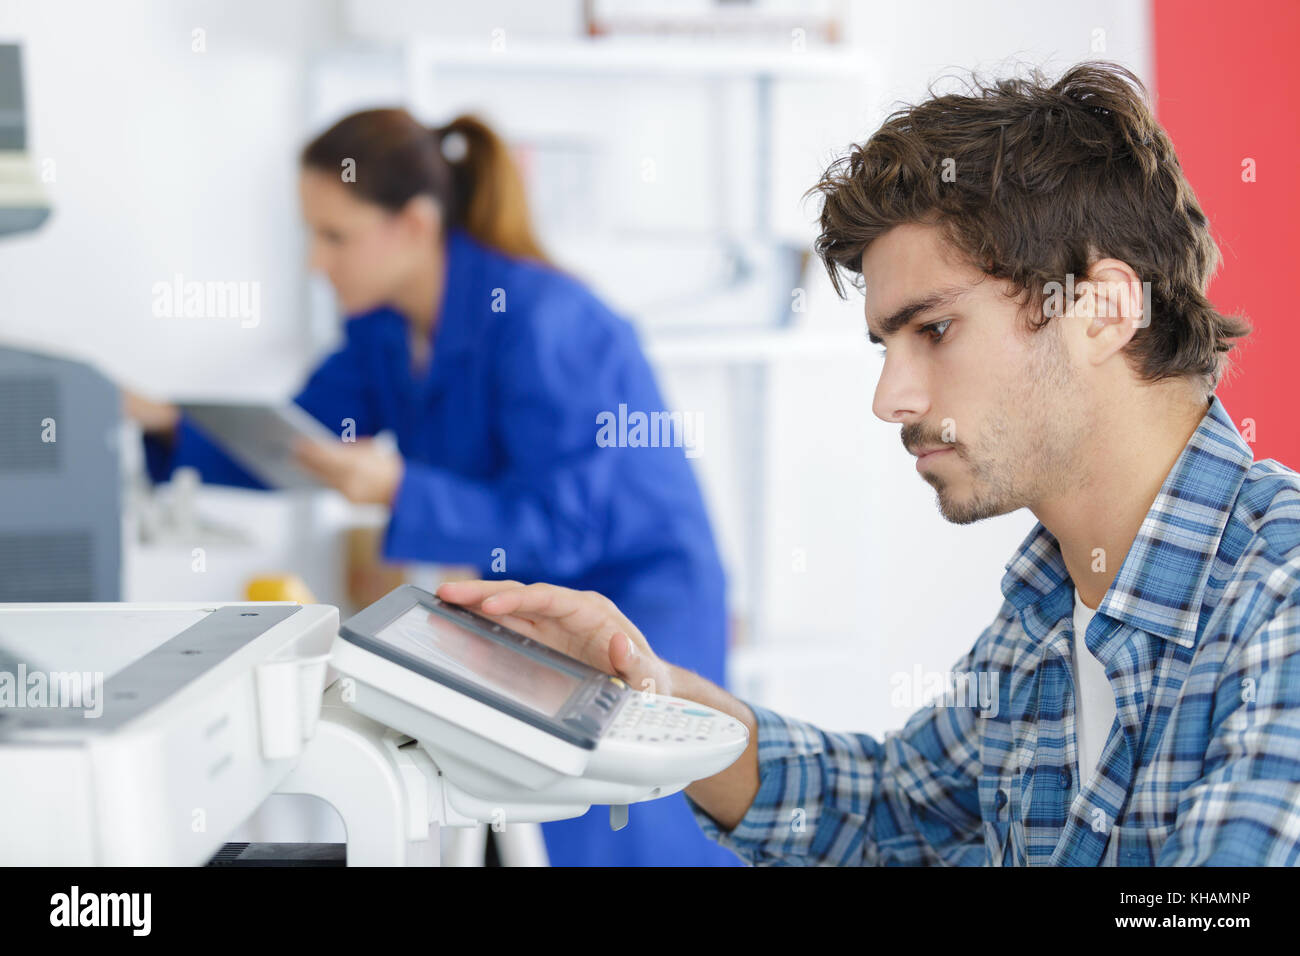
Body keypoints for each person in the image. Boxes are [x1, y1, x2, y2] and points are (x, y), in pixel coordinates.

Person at [433, 62, 1300, 865]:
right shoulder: (1044, 609)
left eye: (934, 331)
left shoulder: (1280, 595)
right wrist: (646, 697)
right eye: (886, 345)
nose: (891, 400)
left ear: (1103, 309)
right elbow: (890, 810)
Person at [125, 109, 739, 867]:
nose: (317, 263)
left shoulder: (549, 321)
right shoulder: (383, 332)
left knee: (613, 831)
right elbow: (294, 444)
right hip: (531, 610)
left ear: (413, 224)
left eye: (335, 236)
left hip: (634, 601)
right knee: (517, 820)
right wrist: (160, 423)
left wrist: (397, 490)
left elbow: (561, 526)